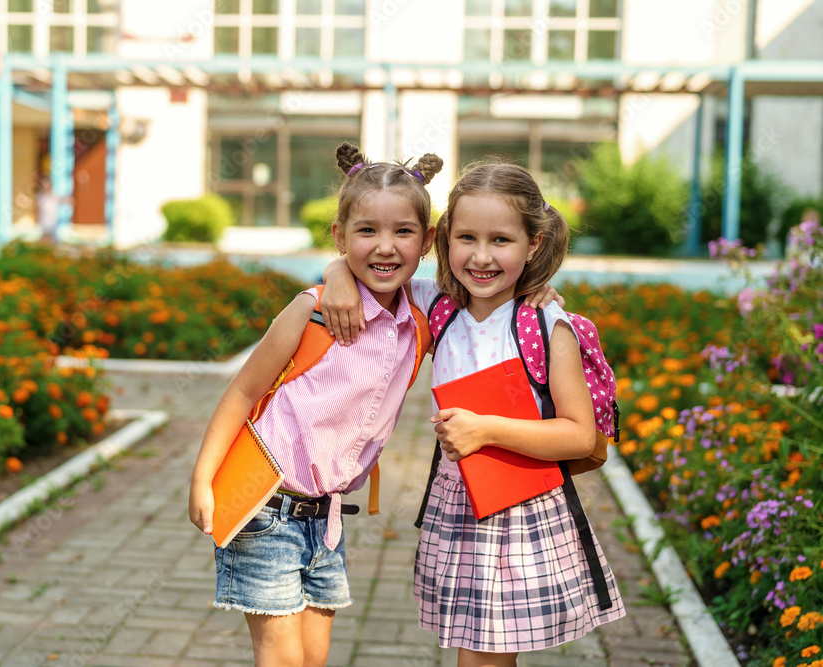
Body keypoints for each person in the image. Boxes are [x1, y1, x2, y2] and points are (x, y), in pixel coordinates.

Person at [320, 159, 625, 667]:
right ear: (443, 242)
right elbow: (364, 267)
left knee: (484, 657)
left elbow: (577, 435)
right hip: (459, 500)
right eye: (467, 238)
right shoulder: (437, 305)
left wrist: (486, 430)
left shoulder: (548, 326)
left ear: (533, 243)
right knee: (479, 653)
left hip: (520, 509)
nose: (481, 257)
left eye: (501, 241)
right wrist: (334, 273)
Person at [188, 142, 445, 667]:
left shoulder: (423, 309)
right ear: (341, 235)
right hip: (266, 506)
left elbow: (488, 283)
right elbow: (242, 392)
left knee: (313, 659)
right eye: (367, 231)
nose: (385, 247)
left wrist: (542, 293)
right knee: (280, 659)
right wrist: (201, 478)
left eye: (403, 231)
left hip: (326, 518)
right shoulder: (312, 313)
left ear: (427, 240)